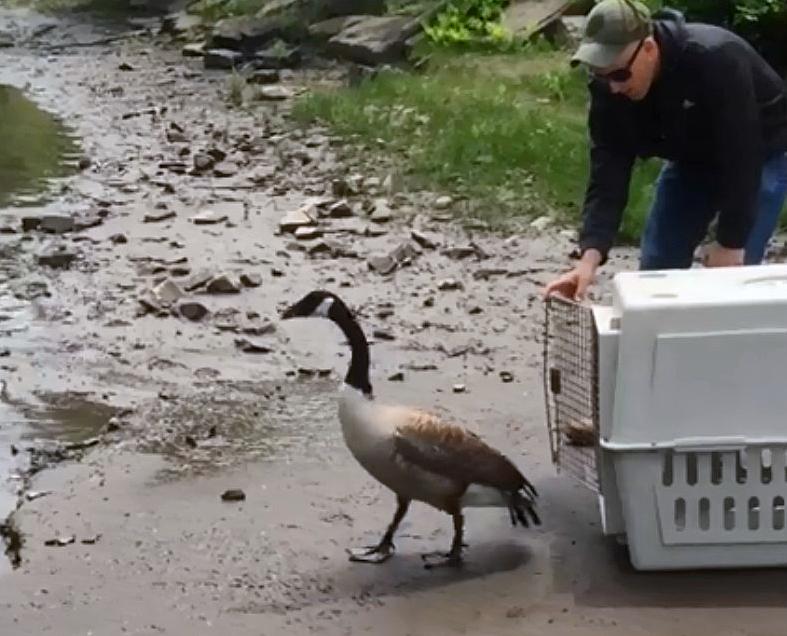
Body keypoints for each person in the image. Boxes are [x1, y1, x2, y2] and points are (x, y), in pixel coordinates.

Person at [544, 0, 787, 301]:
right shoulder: (609, 90)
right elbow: (608, 174)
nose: (614, 87)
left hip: (759, 154)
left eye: (620, 74)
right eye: (601, 74)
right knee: (656, 270)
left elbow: (743, 152)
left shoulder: (715, 58)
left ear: (648, 49)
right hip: (690, 160)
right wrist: (589, 259)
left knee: (732, 280)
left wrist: (730, 241)